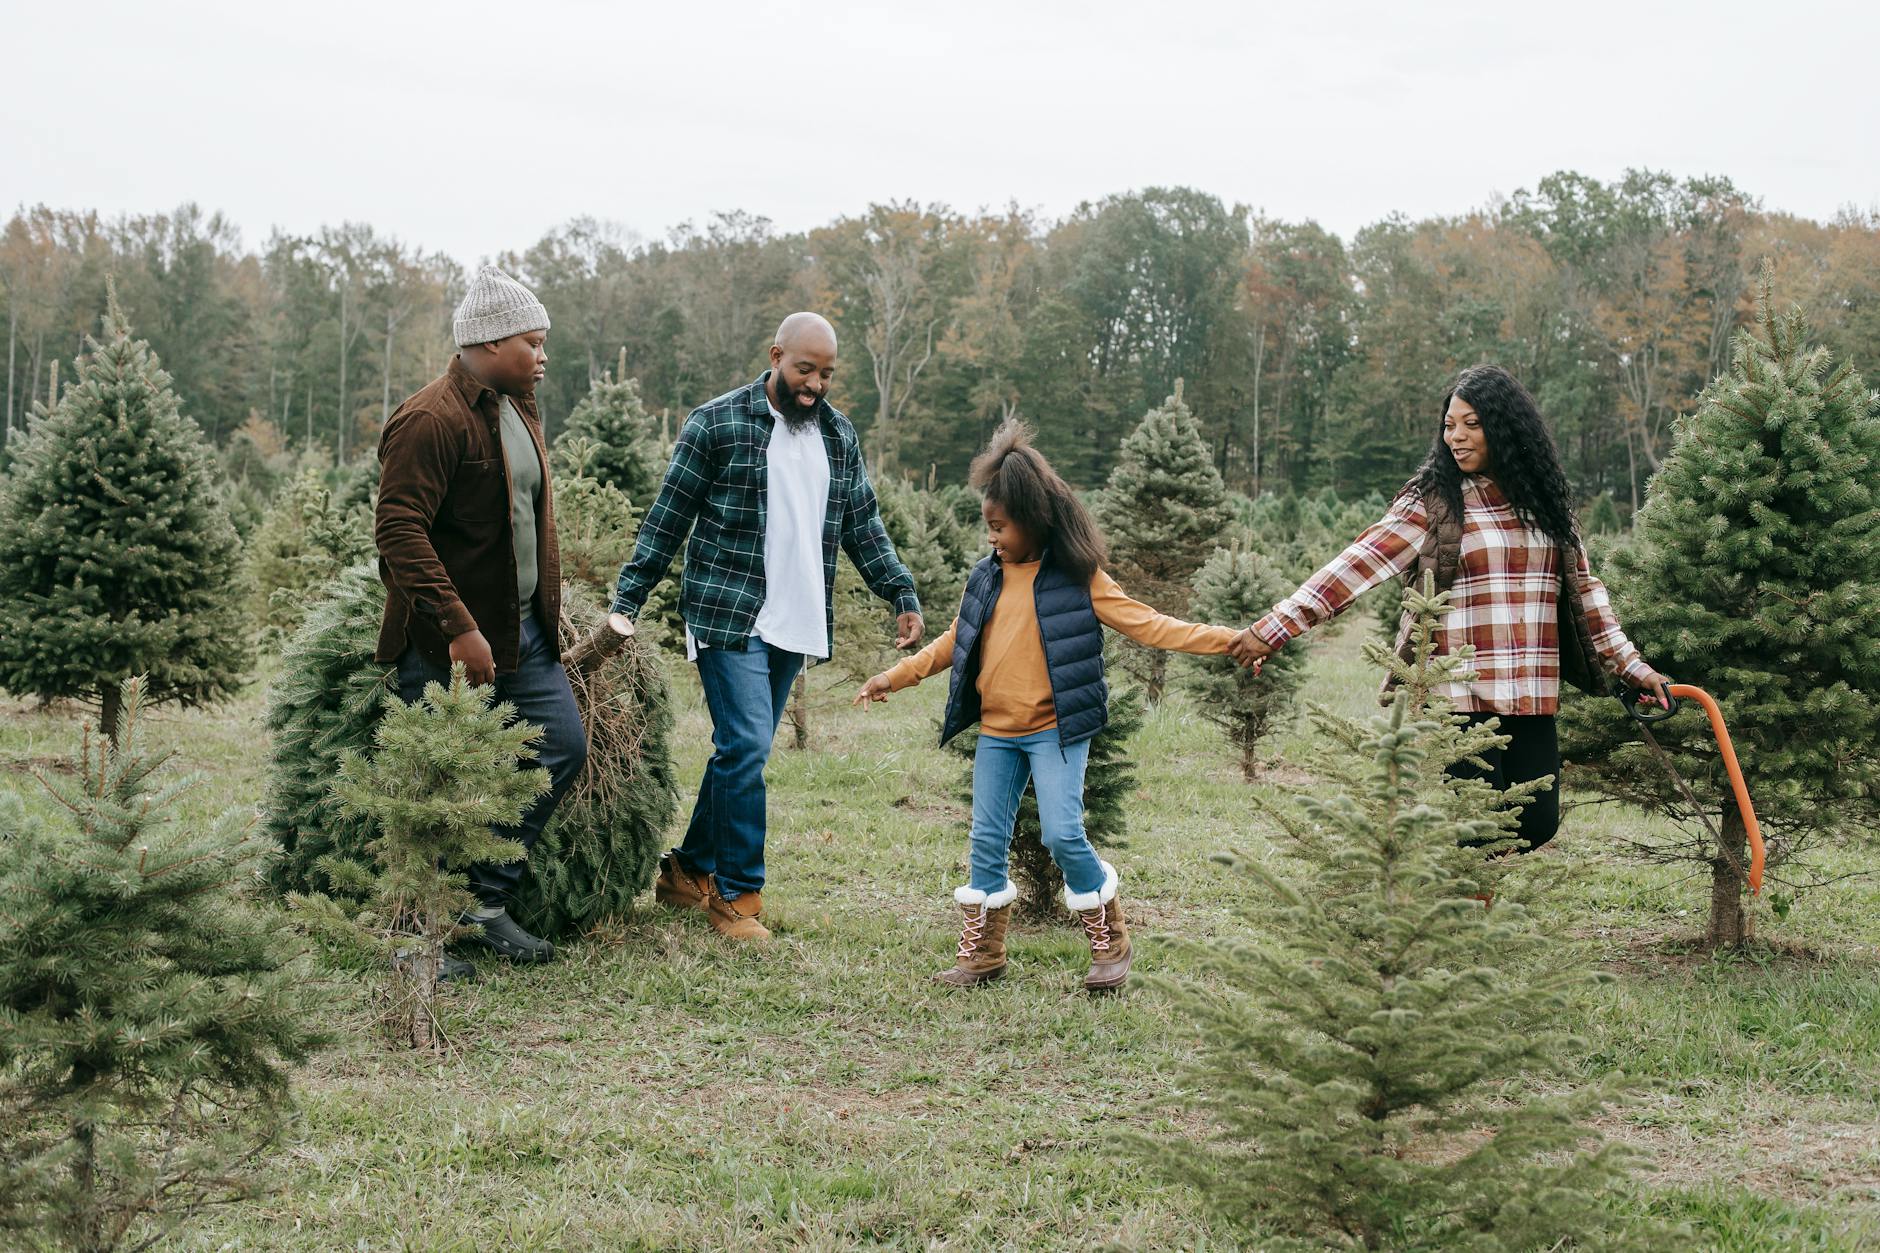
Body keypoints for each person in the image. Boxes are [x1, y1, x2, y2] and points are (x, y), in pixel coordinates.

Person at [855, 420, 1250, 993]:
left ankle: (1109, 937)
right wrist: (894, 676)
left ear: (1033, 519)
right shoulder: (984, 579)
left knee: (1064, 835)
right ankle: (984, 953)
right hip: (997, 732)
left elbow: (1152, 625)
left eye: (999, 527)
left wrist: (1227, 639)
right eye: (987, 527)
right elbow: (952, 642)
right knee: (985, 841)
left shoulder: (1077, 578)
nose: (991, 538)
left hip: (1056, 731)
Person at [1230, 364, 1671, 854]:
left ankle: (1458, 903)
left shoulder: (1548, 508)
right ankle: (1460, 918)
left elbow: (1586, 594)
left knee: (1538, 820)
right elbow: (1356, 566)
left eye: (1471, 424)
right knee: (1476, 827)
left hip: (1530, 691)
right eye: (1449, 425)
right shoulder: (1435, 502)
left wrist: (1633, 668)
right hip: (1457, 693)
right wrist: (1274, 627)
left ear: (1505, 428)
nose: (1456, 437)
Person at [609, 313, 922, 941]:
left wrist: (899, 590)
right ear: (776, 355)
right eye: (805, 369)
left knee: (738, 753)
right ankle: (736, 897)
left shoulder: (836, 434)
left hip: (796, 616)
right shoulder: (717, 423)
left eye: (827, 374)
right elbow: (668, 518)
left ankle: (687, 870)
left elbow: (862, 521)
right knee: (747, 747)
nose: (814, 385)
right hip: (729, 610)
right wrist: (629, 600)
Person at [375, 265, 599, 978]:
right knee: (432, 788)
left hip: (523, 635)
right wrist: (457, 628)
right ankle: (415, 937)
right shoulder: (429, 418)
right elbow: (399, 530)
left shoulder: (519, 407)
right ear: (489, 342)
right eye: (532, 343)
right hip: (444, 643)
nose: (542, 357)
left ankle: (482, 900)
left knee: (561, 747)